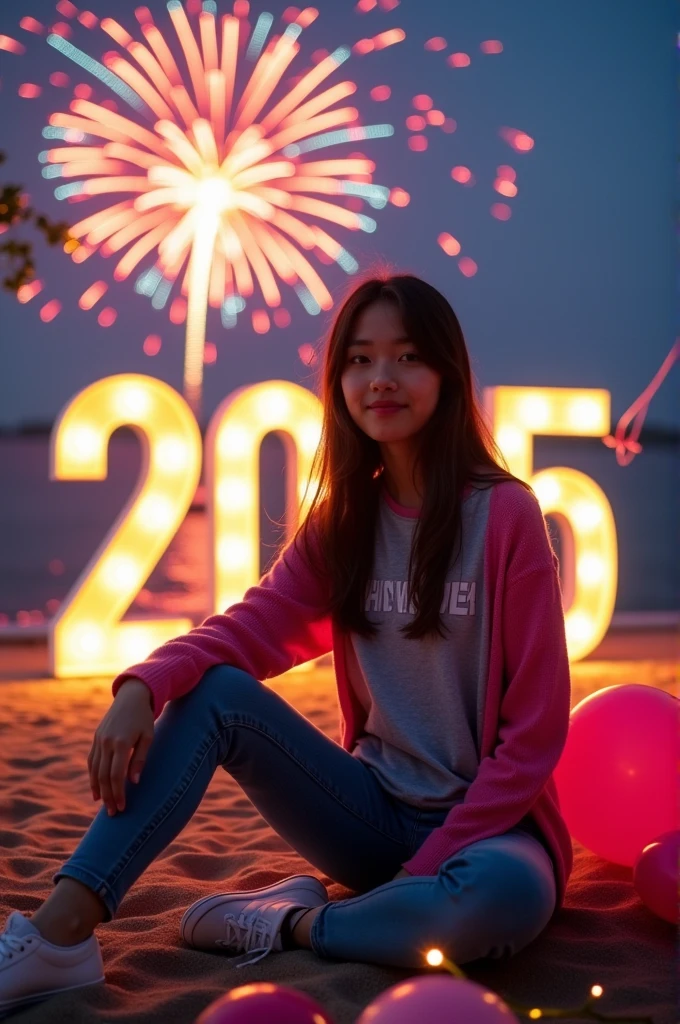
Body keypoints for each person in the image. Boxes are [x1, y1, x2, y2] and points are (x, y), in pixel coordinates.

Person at [0, 273, 572, 1016]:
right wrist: (143, 684)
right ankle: (60, 933)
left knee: (494, 904)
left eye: (406, 357)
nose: (382, 380)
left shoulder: (505, 516)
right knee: (215, 691)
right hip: (372, 814)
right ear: (337, 382)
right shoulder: (345, 521)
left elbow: (533, 737)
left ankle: (287, 920)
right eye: (360, 360)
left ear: (447, 374)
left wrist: (428, 870)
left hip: (492, 834)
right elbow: (251, 628)